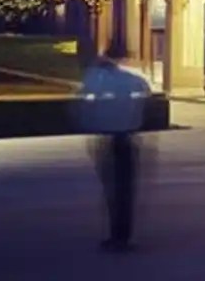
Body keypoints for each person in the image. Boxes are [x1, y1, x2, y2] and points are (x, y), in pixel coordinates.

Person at [76, 40, 150, 252]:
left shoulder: (97, 78)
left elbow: (86, 104)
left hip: (108, 138)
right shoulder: (133, 80)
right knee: (125, 190)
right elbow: (144, 101)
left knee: (113, 190)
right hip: (126, 138)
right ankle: (123, 235)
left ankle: (117, 234)